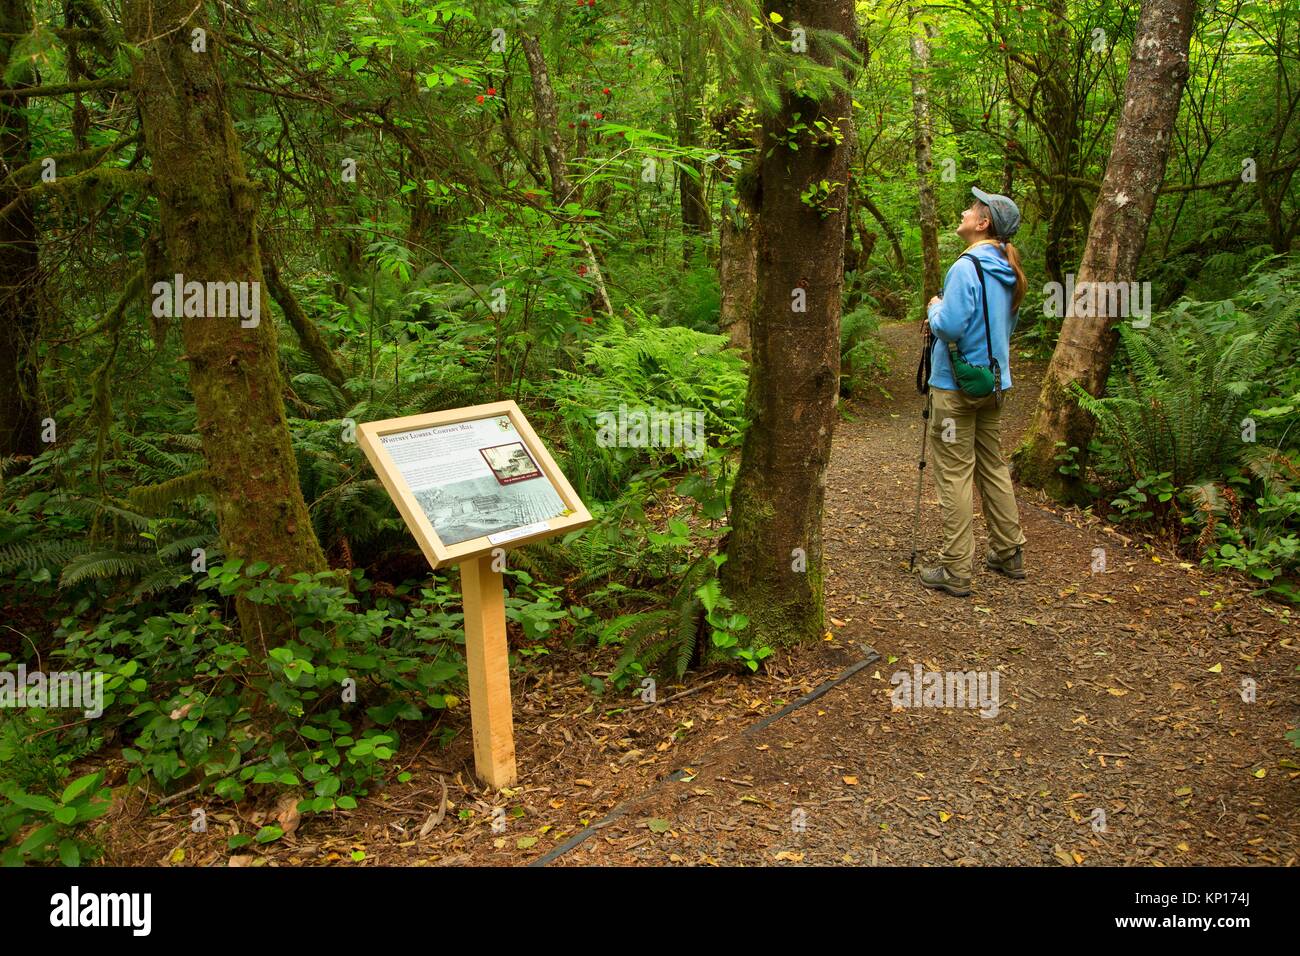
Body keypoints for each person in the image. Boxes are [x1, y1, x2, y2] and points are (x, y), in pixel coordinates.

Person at [918, 187, 1028, 597]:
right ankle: (1008, 551)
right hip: (995, 384)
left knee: (954, 474)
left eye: (972, 207)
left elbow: (949, 326)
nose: (965, 210)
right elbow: (1005, 328)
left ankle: (955, 570)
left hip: (955, 388)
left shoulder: (966, 266)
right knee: (992, 466)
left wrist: (933, 307)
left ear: (983, 223)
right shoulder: (1007, 267)